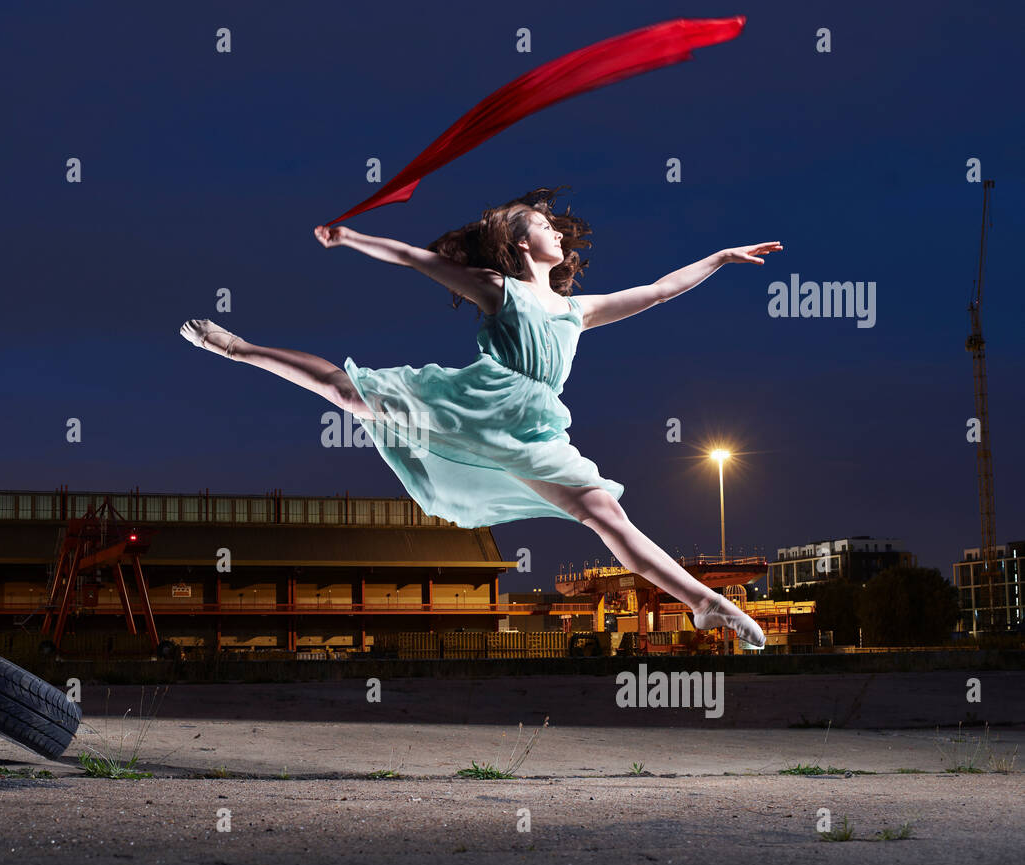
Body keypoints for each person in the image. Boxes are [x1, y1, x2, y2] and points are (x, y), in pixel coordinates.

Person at [180, 186, 781, 648]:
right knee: (350, 393)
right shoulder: (499, 289)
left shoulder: (577, 310)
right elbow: (417, 258)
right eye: (545, 227)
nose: (559, 235)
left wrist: (720, 258)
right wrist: (351, 237)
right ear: (522, 244)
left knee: (606, 514)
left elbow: (656, 290)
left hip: (535, 427)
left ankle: (705, 603)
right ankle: (239, 348)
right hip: (480, 402)